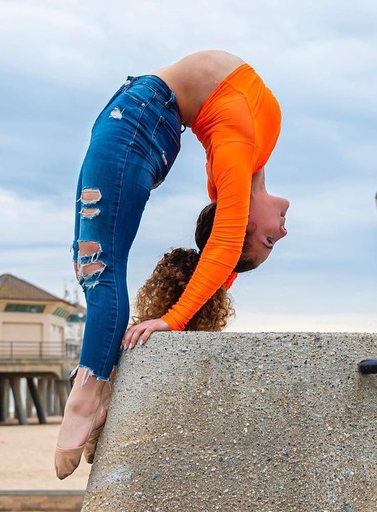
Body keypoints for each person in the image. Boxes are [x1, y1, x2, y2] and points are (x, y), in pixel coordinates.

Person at [55, 50, 289, 479]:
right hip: (146, 117)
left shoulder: (235, 160)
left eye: (269, 238)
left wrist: (175, 319)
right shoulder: (244, 164)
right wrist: (191, 306)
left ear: (243, 221)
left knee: (97, 270)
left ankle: (85, 399)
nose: (283, 232)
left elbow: (222, 246)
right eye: (272, 240)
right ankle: (98, 393)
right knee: (97, 267)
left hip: (139, 120)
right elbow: (222, 251)